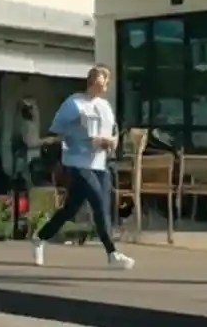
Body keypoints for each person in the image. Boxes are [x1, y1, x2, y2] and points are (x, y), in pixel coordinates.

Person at [32, 64, 135, 270]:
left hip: (99, 163)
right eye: (104, 80)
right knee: (98, 202)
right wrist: (83, 138)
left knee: (71, 209)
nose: (106, 84)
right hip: (77, 163)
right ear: (95, 81)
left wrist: (112, 141)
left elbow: (112, 131)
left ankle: (40, 237)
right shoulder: (74, 104)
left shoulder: (105, 106)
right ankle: (112, 253)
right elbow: (58, 131)